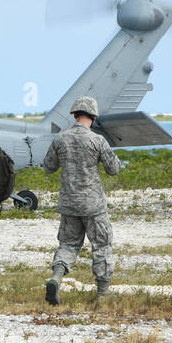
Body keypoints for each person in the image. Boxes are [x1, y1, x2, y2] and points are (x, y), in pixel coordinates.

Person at [42, 96, 121, 305]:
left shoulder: (60, 139)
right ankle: (102, 293)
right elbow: (114, 169)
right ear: (93, 117)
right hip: (93, 205)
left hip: (69, 203)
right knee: (101, 245)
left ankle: (56, 277)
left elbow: (48, 167)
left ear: (75, 115)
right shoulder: (97, 140)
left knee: (67, 244)